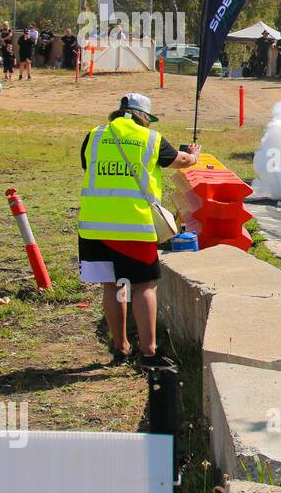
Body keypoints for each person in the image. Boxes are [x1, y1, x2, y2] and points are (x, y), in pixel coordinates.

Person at [78, 93, 200, 366]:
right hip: (133, 226)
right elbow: (179, 161)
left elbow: (88, 167)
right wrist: (193, 155)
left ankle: (120, 347)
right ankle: (148, 352)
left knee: (113, 285)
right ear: (143, 117)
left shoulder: (94, 135)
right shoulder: (151, 139)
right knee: (144, 287)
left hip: (93, 226)